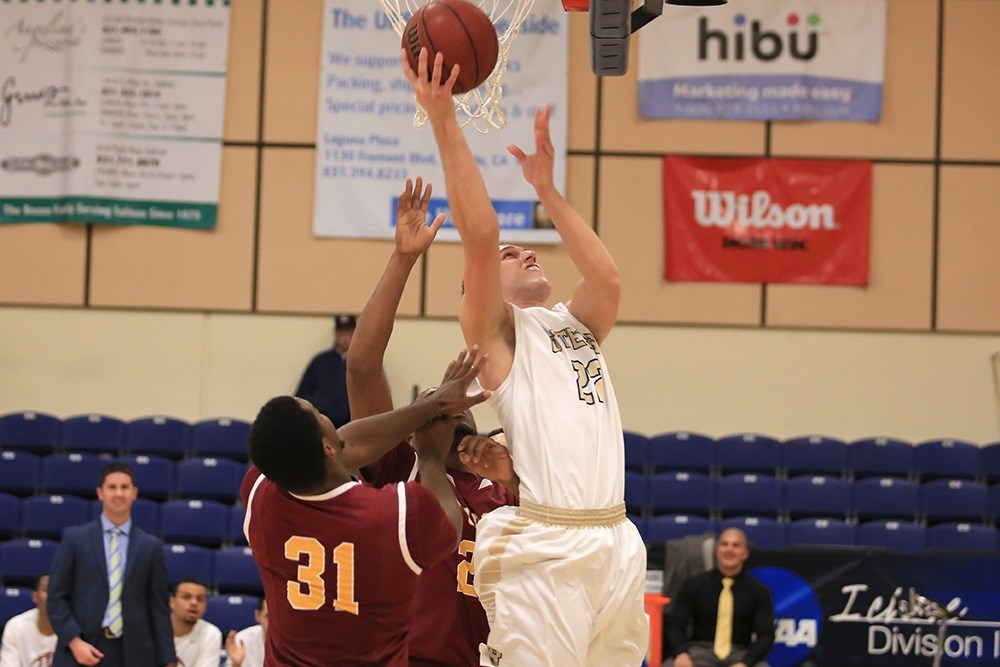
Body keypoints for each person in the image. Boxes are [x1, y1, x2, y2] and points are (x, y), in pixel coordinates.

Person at [402, 49, 648, 666]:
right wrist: (442, 117)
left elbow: (609, 278)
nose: (523, 253)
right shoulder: (498, 336)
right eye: (511, 257)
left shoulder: (574, 322)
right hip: (547, 543)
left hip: (617, 538)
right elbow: (480, 233)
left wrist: (548, 191)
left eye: (526, 249)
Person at [346, 177, 519, 667]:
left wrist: (514, 477)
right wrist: (403, 259)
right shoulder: (398, 465)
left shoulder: (504, 484)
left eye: (456, 399)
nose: (447, 403)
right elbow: (361, 364)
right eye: (433, 400)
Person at [242, 349, 490, 666]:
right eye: (320, 414)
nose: (329, 416)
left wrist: (430, 408)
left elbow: (342, 443)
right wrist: (430, 452)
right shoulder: (389, 512)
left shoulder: (260, 495)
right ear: (329, 447)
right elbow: (361, 366)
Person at [47, 462, 176, 667]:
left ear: (134, 493)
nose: (119, 493)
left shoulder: (150, 546)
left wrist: (169, 659)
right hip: (83, 648)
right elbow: (56, 597)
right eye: (112, 487)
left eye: (124, 487)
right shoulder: (75, 539)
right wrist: (74, 641)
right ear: (100, 493)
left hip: (134, 653)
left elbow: (158, 609)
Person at [665, 528, 775, 667]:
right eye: (724, 544)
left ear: (745, 553)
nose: (729, 549)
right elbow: (675, 625)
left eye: (736, 545)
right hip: (699, 653)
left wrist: (746, 662)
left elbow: (766, 636)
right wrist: (681, 653)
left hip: (740, 654)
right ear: (717, 550)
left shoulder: (759, 591)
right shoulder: (693, 585)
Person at [295, 313, 357, 427]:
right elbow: (301, 396)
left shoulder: (364, 362)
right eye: (341, 332)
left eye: (349, 332)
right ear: (336, 334)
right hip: (321, 427)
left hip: (353, 427)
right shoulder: (320, 361)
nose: (345, 337)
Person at [0, 574, 57, 667]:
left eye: (58, 590)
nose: (53, 596)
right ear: (35, 596)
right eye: (47, 590)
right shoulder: (16, 626)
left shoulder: (78, 626)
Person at [170, 578, 222, 667]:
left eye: (200, 599)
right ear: (172, 602)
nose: (194, 603)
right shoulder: (149, 630)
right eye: (186, 597)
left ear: (205, 606)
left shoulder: (211, 633)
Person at [223, 598, 266, 667]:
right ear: (258, 615)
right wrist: (236, 665)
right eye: (267, 616)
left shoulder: (289, 641)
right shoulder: (242, 639)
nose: (273, 623)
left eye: (277, 617)